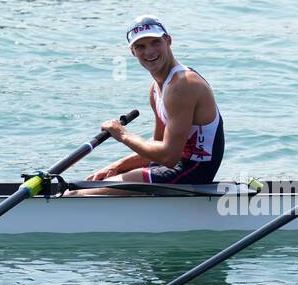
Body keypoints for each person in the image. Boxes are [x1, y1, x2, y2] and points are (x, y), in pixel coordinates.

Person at [85, 16, 224, 187]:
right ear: (132, 52)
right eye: (140, 46)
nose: (149, 51)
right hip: (177, 167)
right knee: (99, 180)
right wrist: (117, 166)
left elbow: (168, 157)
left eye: (155, 42)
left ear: (168, 41)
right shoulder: (155, 89)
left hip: (192, 173)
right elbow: (157, 148)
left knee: (76, 195)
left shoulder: (182, 85)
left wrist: (122, 134)